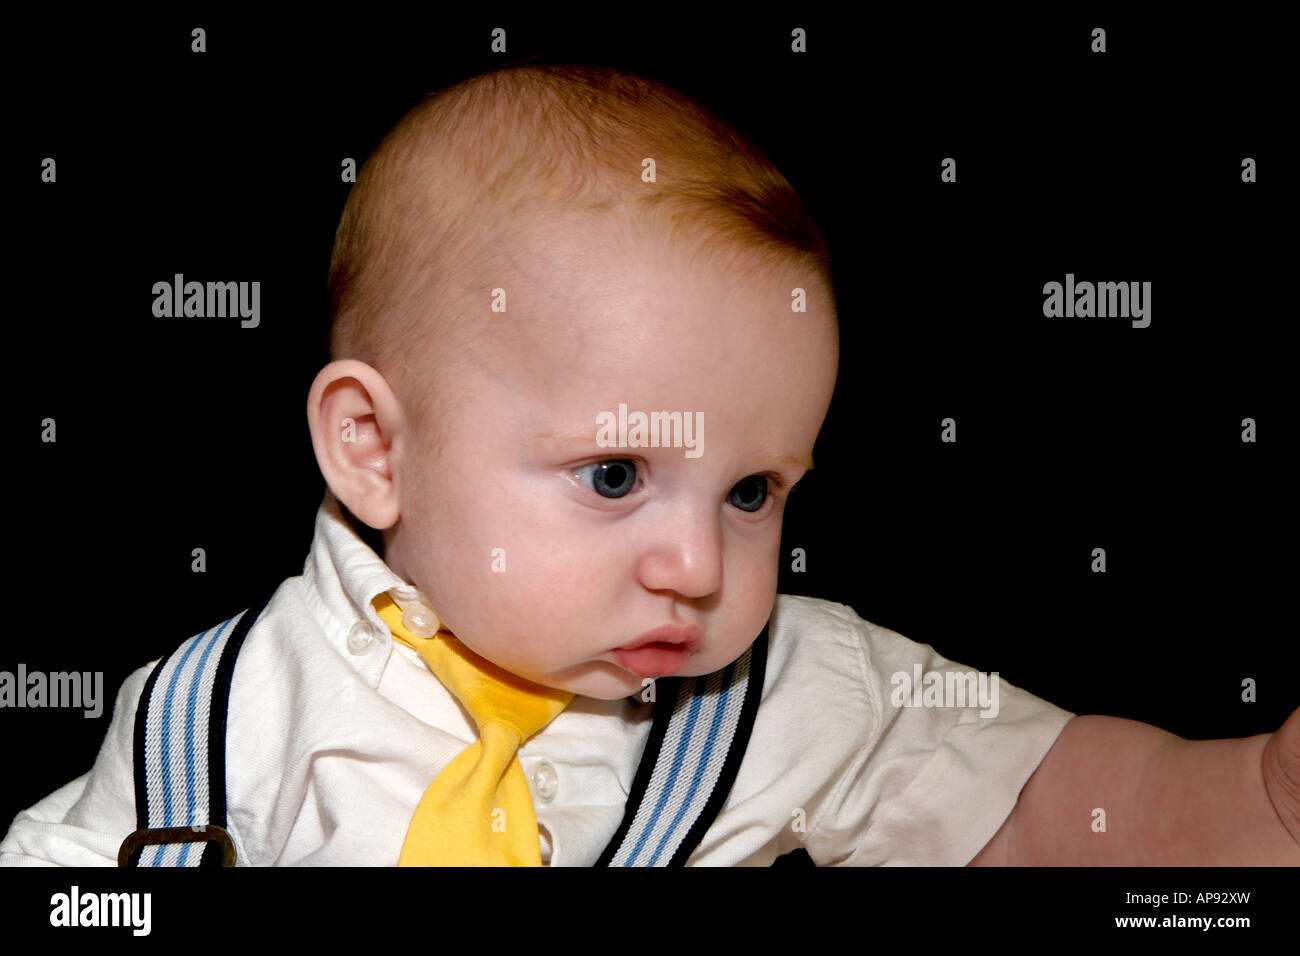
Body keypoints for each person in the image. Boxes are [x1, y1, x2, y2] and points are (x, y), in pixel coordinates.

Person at [4, 63, 1296, 866]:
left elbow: (1047, 810)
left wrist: (1260, 793)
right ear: (375, 448)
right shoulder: (215, 718)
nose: (696, 565)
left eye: (753, 492)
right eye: (615, 477)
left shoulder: (804, 689)